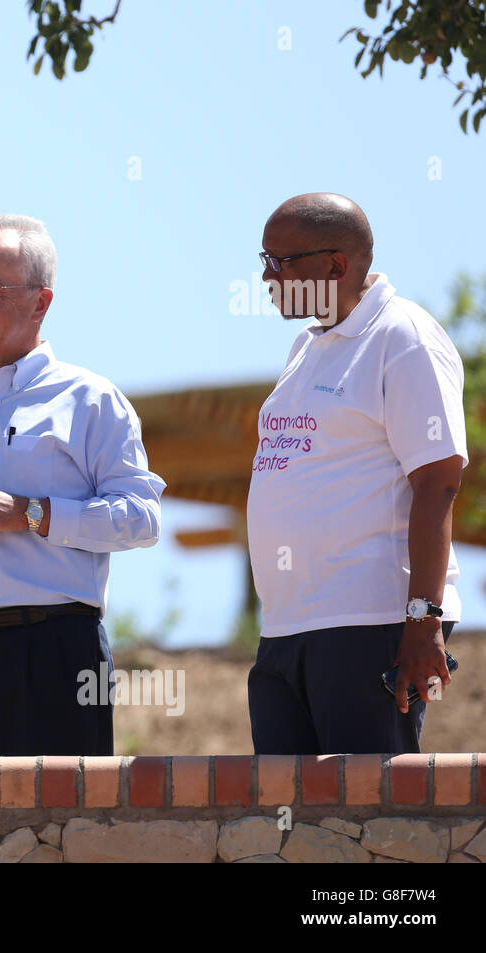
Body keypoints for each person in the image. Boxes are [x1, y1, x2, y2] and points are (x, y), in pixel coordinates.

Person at [0, 214, 164, 756]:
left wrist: (29, 513)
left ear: (41, 301)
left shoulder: (90, 399)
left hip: (54, 653)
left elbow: (141, 518)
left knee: (58, 833)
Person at [247, 192, 467, 755]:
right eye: (264, 259)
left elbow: (438, 482)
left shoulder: (404, 338)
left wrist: (423, 621)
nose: (266, 275)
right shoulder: (307, 345)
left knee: (365, 814)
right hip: (287, 630)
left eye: (280, 261)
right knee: (284, 820)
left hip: (372, 626)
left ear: (336, 265)